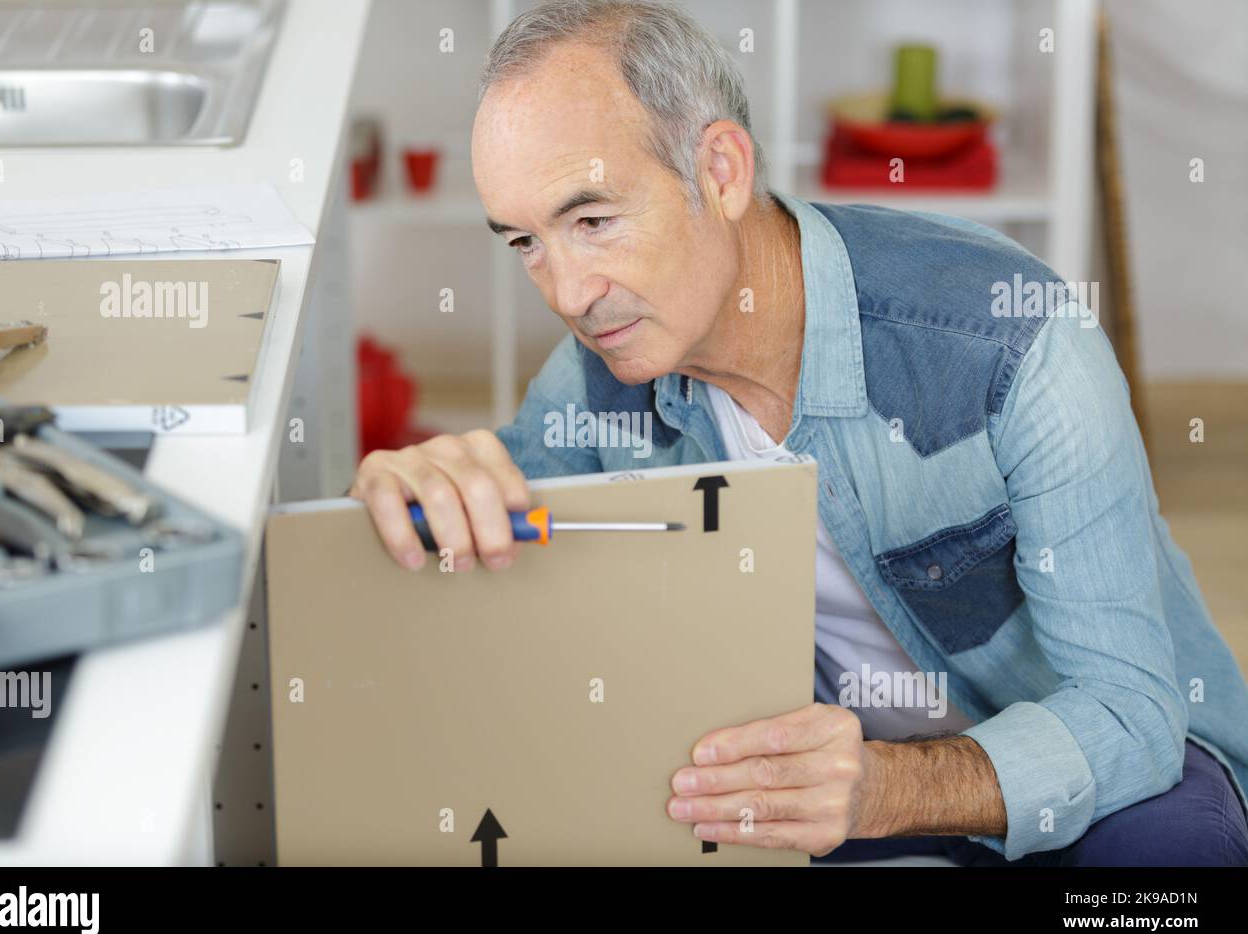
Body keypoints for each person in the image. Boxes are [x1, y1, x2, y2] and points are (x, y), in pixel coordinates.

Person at [349, 0, 1248, 865]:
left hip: (1091, 769)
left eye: (593, 220)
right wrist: (419, 487)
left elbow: (1133, 718)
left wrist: (887, 790)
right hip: (823, 795)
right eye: (527, 243)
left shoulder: (1012, 342)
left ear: (723, 172)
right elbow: (495, 522)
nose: (568, 294)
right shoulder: (599, 378)